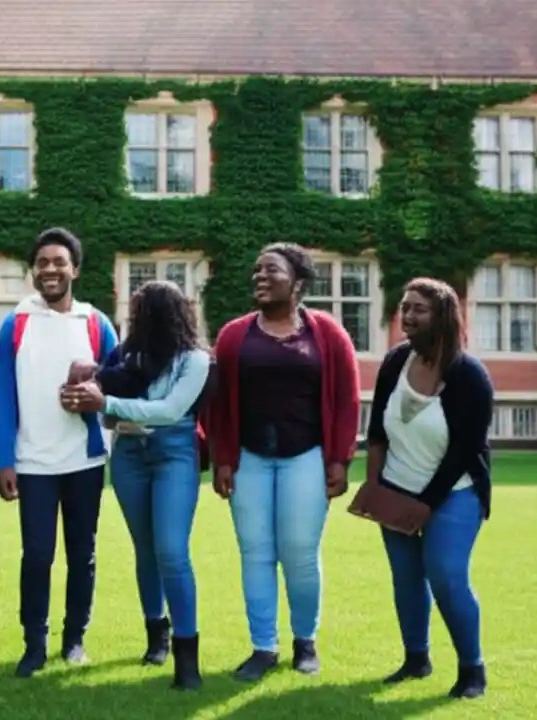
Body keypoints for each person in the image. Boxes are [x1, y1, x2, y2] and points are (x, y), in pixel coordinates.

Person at [208, 242, 361, 682]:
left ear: (297, 281)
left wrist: (339, 460)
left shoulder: (326, 333)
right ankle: (263, 647)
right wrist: (223, 458)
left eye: (270, 270)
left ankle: (304, 641)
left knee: (299, 553)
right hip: (249, 460)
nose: (259, 276)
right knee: (255, 554)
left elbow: (347, 400)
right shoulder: (235, 335)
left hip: (306, 458)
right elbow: (219, 405)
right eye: (256, 270)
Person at [62, 280, 213, 691]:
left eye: (142, 311)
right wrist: (92, 397)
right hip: (129, 455)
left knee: (171, 550)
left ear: (166, 315)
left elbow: (170, 410)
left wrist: (107, 404)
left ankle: (187, 655)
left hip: (174, 454)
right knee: (145, 550)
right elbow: (106, 400)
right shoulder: (127, 356)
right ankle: (155, 635)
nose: (133, 318)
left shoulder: (194, 360)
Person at [0, 227, 118, 678]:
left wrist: (91, 390)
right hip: (32, 463)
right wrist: (5, 459)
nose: (50, 269)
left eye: (59, 261)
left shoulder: (94, 322)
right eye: (42, 262)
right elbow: (3, 392)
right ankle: (34, 643)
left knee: (82, 553)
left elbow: (118, 378)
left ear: (75, 269)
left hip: (84, 459)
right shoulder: (17, 323)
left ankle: (75, 639)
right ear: (34, 272)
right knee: (37, 555)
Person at [364, 277, 493, 700]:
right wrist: (374, 486)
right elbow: (377, 430)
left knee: (446, 576)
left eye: (418, 308)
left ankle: (472, 669)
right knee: (406, 579)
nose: (408, 316)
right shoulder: (395, 362)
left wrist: (426, 504)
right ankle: (416, 658)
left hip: (454, 492)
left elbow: (463, 450)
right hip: (397, 487)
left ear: (442, 315)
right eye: (404, 308)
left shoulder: (469, 376)